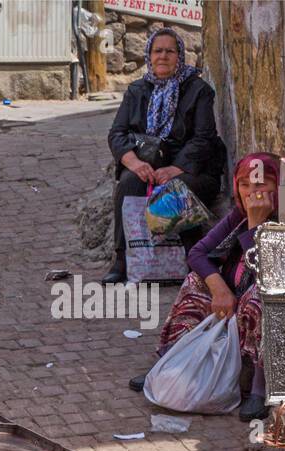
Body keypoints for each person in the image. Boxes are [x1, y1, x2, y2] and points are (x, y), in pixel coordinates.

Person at [129, 152, 279, 421]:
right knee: (194, 282)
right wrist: (218, 287)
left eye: (262, 183)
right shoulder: (237, 216)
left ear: (279, 186)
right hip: (230, 300)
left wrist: (257, 225)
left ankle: (260, 388)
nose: (252, 193)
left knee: (261, 295)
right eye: (245, 184)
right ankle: (169, 361)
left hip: (259, 308)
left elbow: (266, 274)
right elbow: (197, 253)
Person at [104, 26, 223, 283]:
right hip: (147, 164)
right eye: (158, 51)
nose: (163, 56)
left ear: (179, 55)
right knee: (128, 184)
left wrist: (175, 168)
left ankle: (193, 260)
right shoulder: (137, 90)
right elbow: (117, 134)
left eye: (170, 51)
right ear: (149, 55)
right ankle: (123, 260)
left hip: (193, 169)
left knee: (175, 189)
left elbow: (205, 138)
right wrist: (134, 163)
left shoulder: (198, 90)